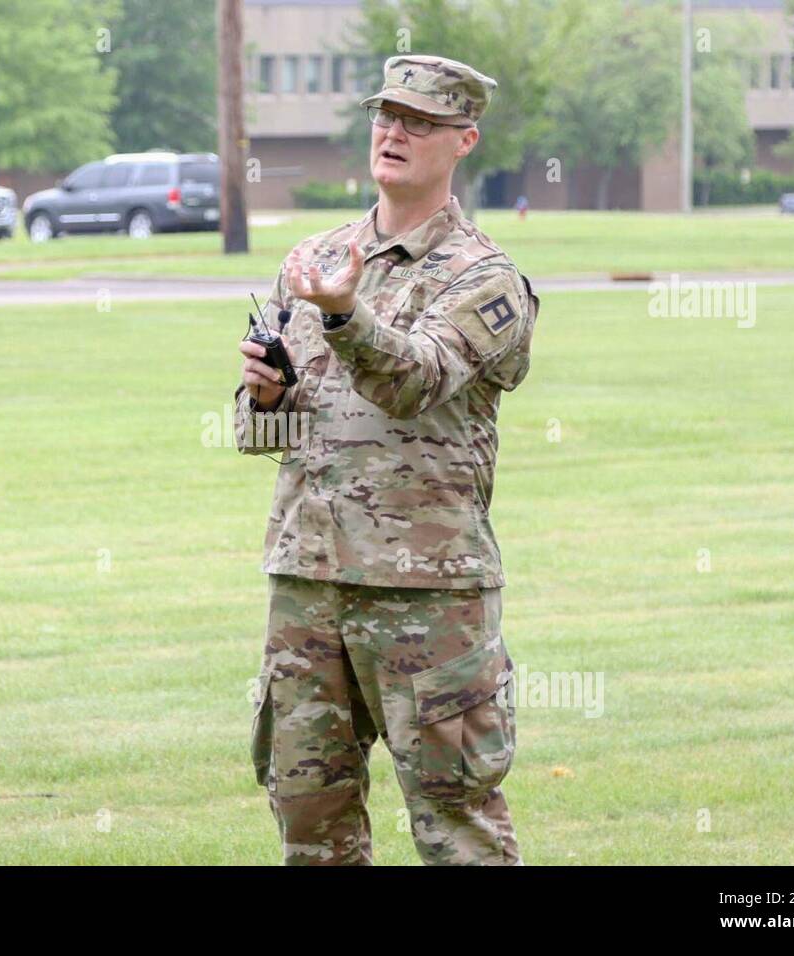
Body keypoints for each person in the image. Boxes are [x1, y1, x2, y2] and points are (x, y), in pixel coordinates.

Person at [233, 54, 540, 866]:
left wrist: (343, 317)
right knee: (308, 820)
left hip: (426, 593)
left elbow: (417, 380)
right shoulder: (316, 259)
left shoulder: (486, 277)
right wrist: (262, 397)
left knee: (456, 823)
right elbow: (270, 436)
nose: (395, 132)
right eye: (385, 115)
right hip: (308, 580)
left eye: (421, 121)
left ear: (464, 139)